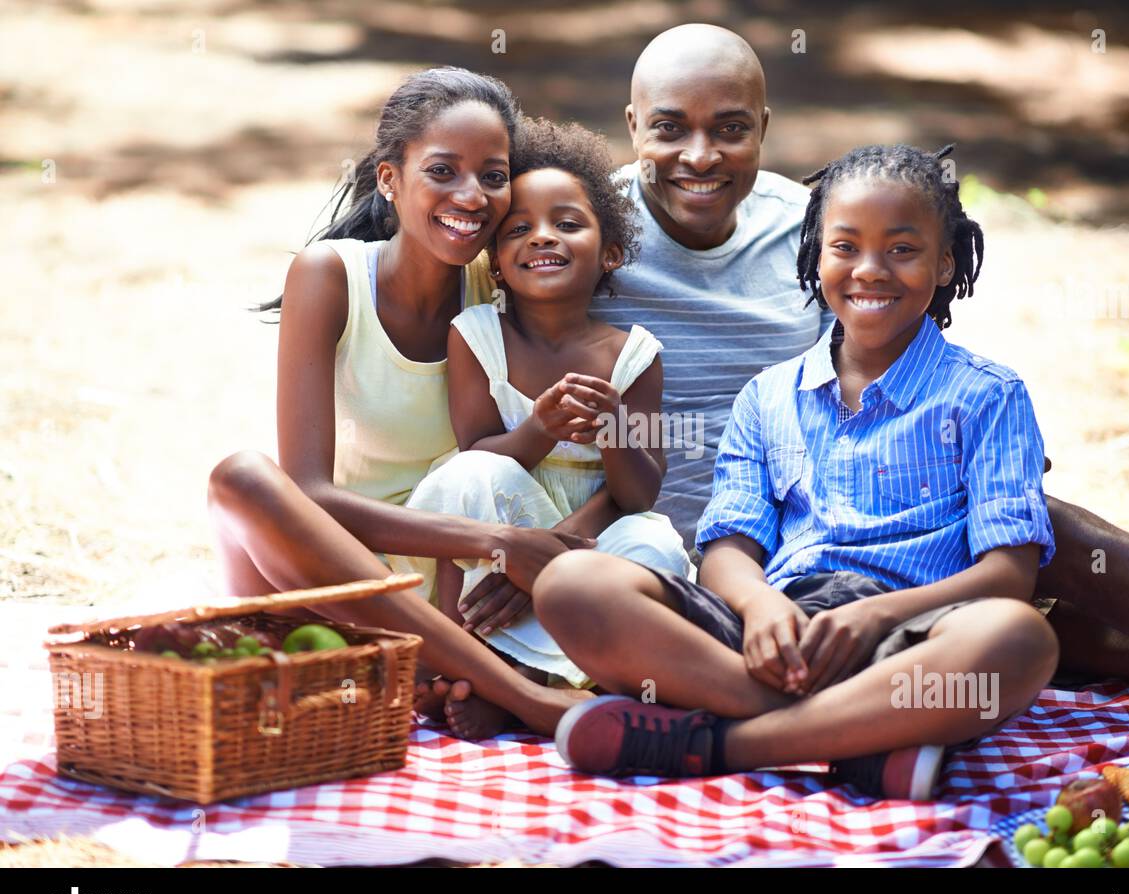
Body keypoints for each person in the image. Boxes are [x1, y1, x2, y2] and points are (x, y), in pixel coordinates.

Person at [588, 23, 1129, 729]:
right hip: (724, 550)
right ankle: (1120, 659)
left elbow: (881, 332)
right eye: (670, 129)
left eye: (731, 128)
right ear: (632, 125)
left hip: (873, 513)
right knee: (1049, 617)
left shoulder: (804, 226)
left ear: (764, 126)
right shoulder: (582, 231)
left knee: (1053, 535)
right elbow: (494, 340)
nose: (700, 155)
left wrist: (972, 432)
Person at [536, 143, 1058, 797]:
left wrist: (874, 617)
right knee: (570, 584)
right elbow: (726, 547)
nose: (870, 270)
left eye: (902, 249)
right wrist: (760, 608)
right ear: (815, 256)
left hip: (912, 640)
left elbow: (1008, 575)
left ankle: (719, 744)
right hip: (773, 635)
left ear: (945, 260)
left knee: (1019, 636)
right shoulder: (769, 395)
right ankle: (858, 745)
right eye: (845, 247)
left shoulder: (989, 394)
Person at [206, 68, 610, 738]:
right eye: (443, 171)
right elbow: (310, 492)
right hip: (339, 578)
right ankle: (518, 696)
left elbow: (599, 451)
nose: (471, 195)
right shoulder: (331, 276)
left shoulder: (508, 281)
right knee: (240, 479)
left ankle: (435, 671)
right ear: (390, 180)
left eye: (493, 174)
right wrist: (502, 541)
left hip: (464, 597)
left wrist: (549, 549)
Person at [395, 117, 691, 736]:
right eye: (519, 229)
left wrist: (613, 432)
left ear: (609, 251)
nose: (542, 238)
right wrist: (541, 426)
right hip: (501, 544)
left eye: (567, 223)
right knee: (469, 476)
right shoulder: (476, 336)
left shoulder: (635, 354)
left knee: (654, 544)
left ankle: (538, 687)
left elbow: (638, 495)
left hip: (593, 543)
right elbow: (478, 451)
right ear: (497, 263)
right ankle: (467, 664)